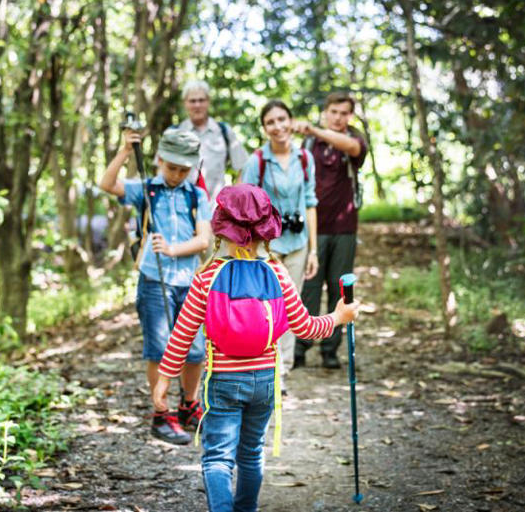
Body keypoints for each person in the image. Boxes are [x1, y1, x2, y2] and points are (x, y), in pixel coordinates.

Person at [152, 184, 360, 512]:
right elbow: (306, 328)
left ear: (221, 229)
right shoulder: (277, 273)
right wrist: (338, 316)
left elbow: (182, 334)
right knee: (251, 453)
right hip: (265, 381)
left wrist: (164, 379)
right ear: (266, 232)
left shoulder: (206, 277)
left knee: (218, 458)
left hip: (223, 381)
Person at [98, 127, 212, 445]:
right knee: (160, 349)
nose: (177, 175)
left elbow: (204, 239)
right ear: (160, 160)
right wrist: (125, 151)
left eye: (184, 169)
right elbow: (106, 184)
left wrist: (173, 249)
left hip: (189, 282)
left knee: (195, 349)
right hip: (154, 280)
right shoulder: (147, 189)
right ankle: (161, 414)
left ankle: (189, 405)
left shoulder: (196, 195)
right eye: (172, 167)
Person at [240, 100, 319, 379]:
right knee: (266, 304)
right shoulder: (257, 161)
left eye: (282, 119)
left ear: (291, 121)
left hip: (298, 242)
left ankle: (282, 370)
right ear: (264, 128)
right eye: (270, 122)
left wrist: (314, 250)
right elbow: (245, 205)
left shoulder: (305, 159)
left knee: (291, 305)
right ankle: (262, 364)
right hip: (266, 245)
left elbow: (310, 203)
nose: (278, 126)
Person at [292, 92, 368, 369]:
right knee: (309, 286)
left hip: (344, 227)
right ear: (326, 112)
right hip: (313, 227)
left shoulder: (354, 138)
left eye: (343, 113)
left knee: (340, 286)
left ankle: (330, 349)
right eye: (333, 112)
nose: (338, 118)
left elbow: (353, 148)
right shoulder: (310, 143)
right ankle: (301, 346)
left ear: (350, 115)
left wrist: (313, 129)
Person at [177, 80, 249, 206]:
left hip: (216, 209)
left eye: (201, 100)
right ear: (185, 103)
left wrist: (234, 199)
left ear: (208, 101)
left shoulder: (223, 131)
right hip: (182, 208)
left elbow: (244, 167)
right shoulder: (175, 133)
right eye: (192, 101)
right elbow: (161, 172)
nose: (197, 105)